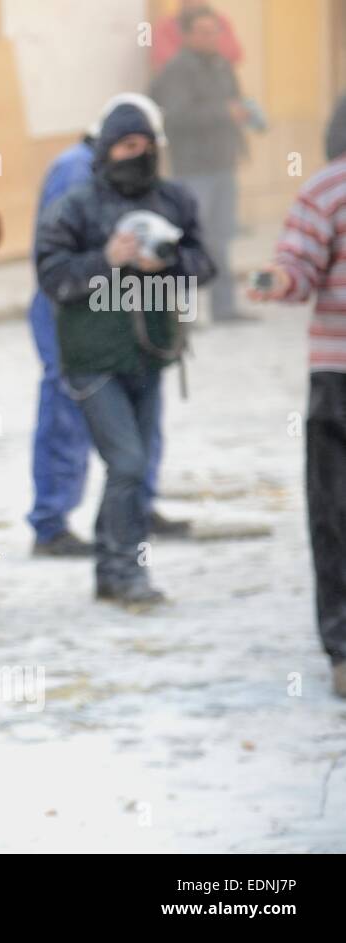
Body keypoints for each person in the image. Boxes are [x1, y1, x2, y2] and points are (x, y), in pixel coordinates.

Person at [35, 103, 215, 609]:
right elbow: (53, 277)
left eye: (147, 145)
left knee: (129, 469)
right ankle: (126, 571)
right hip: (92, 359)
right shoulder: (75, 206)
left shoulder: (174, 199)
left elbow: (206, 265)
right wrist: (106, 261)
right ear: (108, 150)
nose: (140, 154)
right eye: (128, 146)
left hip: (151, 355)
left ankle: (111, 572)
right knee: (130, 462)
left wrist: (170, 259)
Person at [248, 94, 346, 698]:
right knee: (335, 514)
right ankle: (342, 646)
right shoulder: (328, 190)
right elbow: (297, 265)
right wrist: (278, 279)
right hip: (338, 377)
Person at [149, 5, 251, 324]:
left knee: (221, 238)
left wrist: (245, 119)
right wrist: (224, 113)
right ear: (188, 35)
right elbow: (175, 119)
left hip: (223, 164)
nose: (212, 38)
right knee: (189, 240)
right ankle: (182, 313)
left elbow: (235, 104)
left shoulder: (221, 65)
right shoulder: (177, 70)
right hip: (193, 170)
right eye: (205, 32)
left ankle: (224, 308)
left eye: (215, 31)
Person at [149, 0, 243, 73]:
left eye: (212, 32)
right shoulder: (165, 27)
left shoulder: (220, 22)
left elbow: (234, 54)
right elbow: (162, 62)